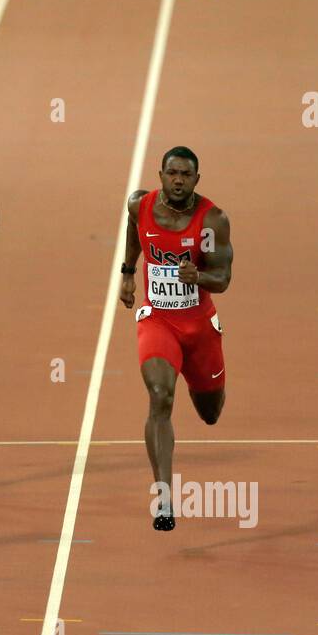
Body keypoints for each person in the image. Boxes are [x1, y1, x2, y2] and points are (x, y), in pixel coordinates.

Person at [120, 146, 232, 531]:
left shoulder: (212, 221)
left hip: (199, 325)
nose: (179, 180)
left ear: (197, 179)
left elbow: (224, 278)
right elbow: (135, 234)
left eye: (186, 174)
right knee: (159, 395)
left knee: (210, 413)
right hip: (158, 322)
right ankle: (164, 498)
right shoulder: (140, 205)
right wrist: (127, 271)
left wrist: (197, 277)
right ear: (161, 174)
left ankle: (199, 381)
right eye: (172, 173)